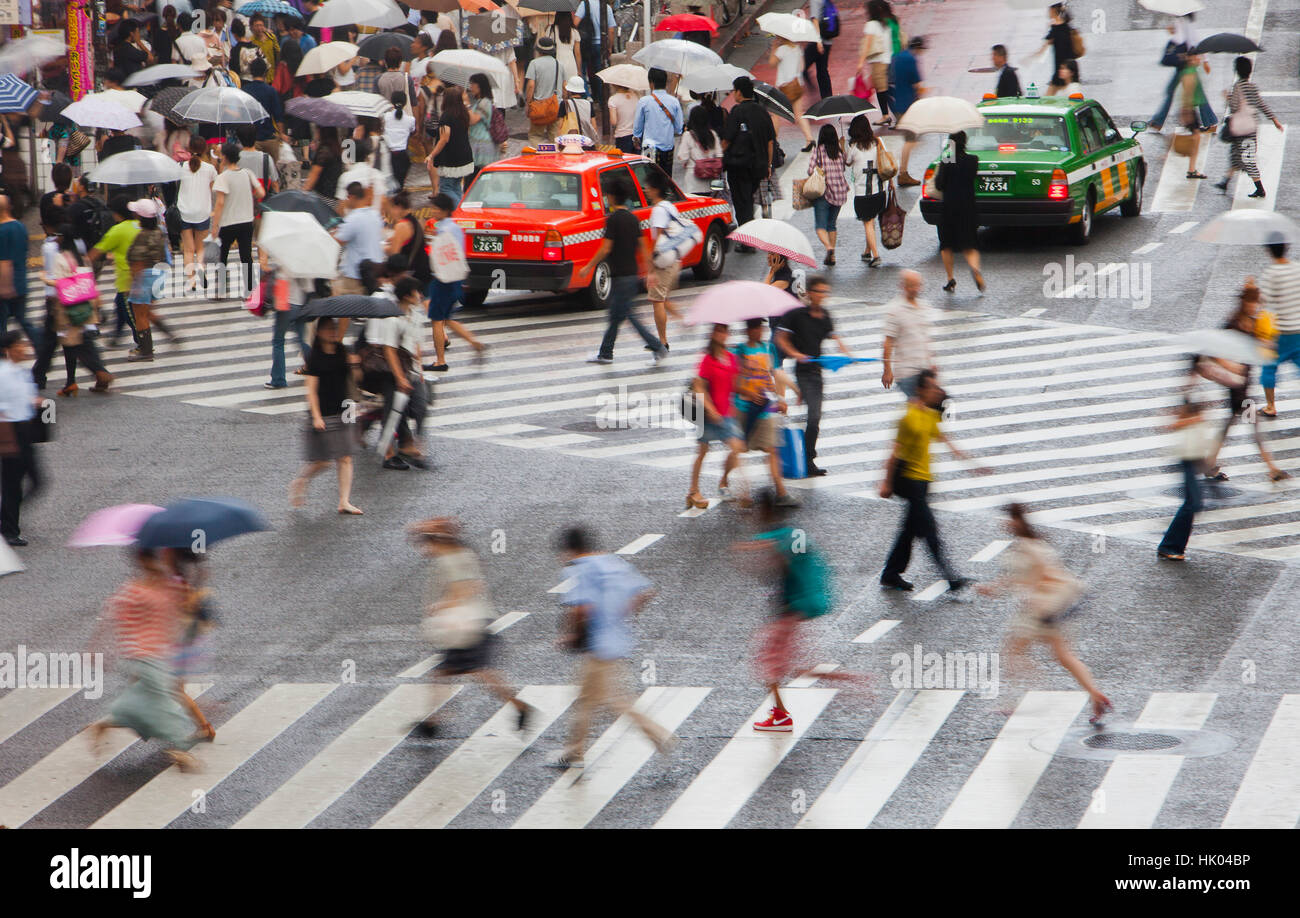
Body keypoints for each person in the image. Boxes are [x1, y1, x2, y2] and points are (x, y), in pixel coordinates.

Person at [550, 526, 679, 769]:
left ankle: (659, 734)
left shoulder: (580, 569)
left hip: (598, 646)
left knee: (615, 701)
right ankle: (574, 751)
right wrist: (621, 616)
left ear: (570, 550)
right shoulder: (613, 562)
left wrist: (571, 635)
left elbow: (581, 608)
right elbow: (645, 593)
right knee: (587, 698)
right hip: (618, 641)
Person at [976, 503, 1112, 725]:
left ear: (1016, 521)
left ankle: (1025, 690)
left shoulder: (1028, 546)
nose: (1004, 523)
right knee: (1063, 656)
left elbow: (1040, 569)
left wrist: (1032, 588)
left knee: (1012, 652)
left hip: (1043, 607)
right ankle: (1096, 696)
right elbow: (1017, 576)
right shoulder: (1030, 544)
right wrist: (993, 588)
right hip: (1056, 606)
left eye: (1008, 518)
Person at [409, 517, 535, 737]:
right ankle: (432, 722)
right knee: (452, 673)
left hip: (467, 625)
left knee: (477, 673)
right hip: (470, 622)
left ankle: (520, 706)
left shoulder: (450, 560)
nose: (423, 548)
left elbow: (467, 589)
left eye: (425, 543)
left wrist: (441, 606)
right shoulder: (463, 554)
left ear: (437, 542)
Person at [738, 488, 845, 732]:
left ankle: (781, 716)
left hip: (794, 607)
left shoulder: (778, 536)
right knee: (789, 662)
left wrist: (747, 550)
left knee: (771, 659)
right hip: (804, 604)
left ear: (764, 511)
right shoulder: (794, 532)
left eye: (756, 510)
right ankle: (783, 712)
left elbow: (776, 554)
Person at [88, 549, 200, 772]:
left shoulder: (168, 587)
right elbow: (110, 620)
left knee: (141, 702)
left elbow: (183, 608)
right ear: (143, 562)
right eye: (153, 561)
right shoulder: (132, 591)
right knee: (162, 699)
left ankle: (108, 722)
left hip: (159, 655)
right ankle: (180, 747)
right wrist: (97, 648)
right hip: (139, 657)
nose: (159, 564)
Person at [879, 369, 987, 591]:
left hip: (924, 481)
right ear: (920, 390)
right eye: (932, 387)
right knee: (929, 531)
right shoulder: (908, 416)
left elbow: (946, 440)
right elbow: (894, 452)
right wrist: (886, 482)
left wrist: (973, 465)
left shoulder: (930, 415)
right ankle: (951, 578)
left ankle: (890, 573)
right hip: (910, 479)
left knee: (908, 531)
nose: (937, 391)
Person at [1199, 280, 1287, 483]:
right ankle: (1272, 469)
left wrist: (1269, 344)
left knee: (1229, 426)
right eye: (1252, 303)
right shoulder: (1233, 323)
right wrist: (1229, 366)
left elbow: (1260, 343)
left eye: (1256, 303)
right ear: (1244, 303)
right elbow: (1214, 349)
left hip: (1243, 383)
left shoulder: (1252, 321)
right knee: (1253, 427)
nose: (1254, 306)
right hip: (1237, 387)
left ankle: (1210, 463)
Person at [583, 175, 667, 366]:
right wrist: (650, 271)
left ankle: (657, 347)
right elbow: (644, 247)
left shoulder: (612, 220)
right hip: (631, 275)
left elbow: (606, 248)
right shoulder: (632, 219)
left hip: (620, 277)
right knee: (616, 316)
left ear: (611, 197)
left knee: (626, 316)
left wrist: (589, 266)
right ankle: (605, 352)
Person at [776, 275, 850, 477]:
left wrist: (847, 354)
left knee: (815, 418)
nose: (822, 296)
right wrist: (796, 354)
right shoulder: (797, 315)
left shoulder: (825, 316)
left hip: (816, 372)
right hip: (803, 372)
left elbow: (834, 336)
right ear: (810, 293)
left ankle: (807, 457)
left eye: (825, 292)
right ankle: (808, 459)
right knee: (814, 415)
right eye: (819, 291)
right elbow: (780, 339)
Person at [289, 317, 361, 514]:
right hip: (323, 412)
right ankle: (301, 480)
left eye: (335, 328)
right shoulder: (314, 357)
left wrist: (355, 365)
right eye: (329, 328)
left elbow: (353, 381)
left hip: (343, 409)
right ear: (319, 333)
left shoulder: (342, 351)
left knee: (345, 457)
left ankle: (344, 501)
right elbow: (311, 390)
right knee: (323, 461)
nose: (333, 331)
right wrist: (316, 416)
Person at [366, 274, 431, 471]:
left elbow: (417, 346)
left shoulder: (415, 316)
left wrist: (419, 370)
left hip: (411, 370)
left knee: (420, 407)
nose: (420, 295)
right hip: (393, 372)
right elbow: (389, 350)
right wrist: (399, 377)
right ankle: (388, 454)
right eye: (416, 292)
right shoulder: (392, 318)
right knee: (392, 412)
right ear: (406, 295)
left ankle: (412, 445)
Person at [733, 318, 799, 507]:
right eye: (754, 327)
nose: (758, 331)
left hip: (765, 409)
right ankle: (728, 484)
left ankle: (781, 492)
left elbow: (776, 373)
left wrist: (783, 397)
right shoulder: (740, 351)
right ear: (747, 330)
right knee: (738, 449)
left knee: (772, 449)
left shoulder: (769, 349)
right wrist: (748, 392)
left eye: (760, 327)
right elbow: (734, 380)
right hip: (744, 408)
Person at [688, 323, 746, 509]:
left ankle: (724, 482)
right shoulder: (707, 359)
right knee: (702, 452)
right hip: (708, 415)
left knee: (737, 447)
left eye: (724, 331)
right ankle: (693, 491)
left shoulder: (731, 358)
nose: (722, 334)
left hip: (726, 414)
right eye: (719, 331)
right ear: (713, 334)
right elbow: (698, 386)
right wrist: (710, 408)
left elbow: (736, 386)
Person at [424, 194, 484, 371]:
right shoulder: (455, 228)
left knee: (437, 320)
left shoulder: (442, 230)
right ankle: (474, 343)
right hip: (455, 278)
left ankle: (440, 361)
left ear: (444, 211)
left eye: (435, 208)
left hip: (443, 279)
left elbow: (438, 255)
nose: (433, 211)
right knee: (448, 318)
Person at [1214, 56, 1283, 199]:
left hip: (1242, 128)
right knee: (1236, 155)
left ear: (1237, 71)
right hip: (1251, 127)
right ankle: (1225, 181)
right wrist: (1274, 120)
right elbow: (1261, 105)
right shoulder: (1252, 87)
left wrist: (1227, 97)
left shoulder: (1238, 87)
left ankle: (1260, 189)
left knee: (1247, 159)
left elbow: (1234, 108)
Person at [1157, 398, 1212, 562]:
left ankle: (1172, 545)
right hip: (1186, 461)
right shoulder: (1192, 416)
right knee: (1193, 504)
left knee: (1193, 504)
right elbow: (1169, 425)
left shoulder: (1197, 419)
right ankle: (1169, 546)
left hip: (1193, 462)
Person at [124, 199, 179, 363]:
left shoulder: (142, 236)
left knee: (140, 314)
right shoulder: (160, 231)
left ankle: (146, 351)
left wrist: (136, 285)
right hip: (159, 275)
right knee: (147, 312)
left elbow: (137, 262)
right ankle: (169, 333)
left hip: (144, 277)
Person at [209, 140, 265, 299]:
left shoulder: (223, 177)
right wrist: (249, 196)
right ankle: (250, 290)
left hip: (228, 223)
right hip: (247, 221)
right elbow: (261, 193)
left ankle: (220, 291)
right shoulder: (247, 173)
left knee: (222, 256)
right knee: (246, 256)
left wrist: (215, 226)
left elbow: (220, 203)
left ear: (225, 157)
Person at [722, 77, 776, 240]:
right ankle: (749, 232)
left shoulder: (736, 112)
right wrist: (769, 164)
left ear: (739, 92)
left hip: (738, 166)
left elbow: (727, 140)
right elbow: (770, 141)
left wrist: (719, 156)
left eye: (734, 91)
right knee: (747, 199)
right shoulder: (762, 112)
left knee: (741, 202)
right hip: (758, 166)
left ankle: (747, 237)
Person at [0, 331, 38, 547]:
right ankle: (9, 529)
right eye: (19, 345)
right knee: (12, 483)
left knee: (37, 480)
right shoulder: (3, 374)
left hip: (25, 430)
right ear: (8, 349)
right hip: (9, 431)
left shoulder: (22, 373)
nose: (24, 348)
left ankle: (8, 516)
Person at [88, 196, 141, 349]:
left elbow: (97, 251)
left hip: (126, 281)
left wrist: (81, 265)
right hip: (140, 278)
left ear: (117, 213)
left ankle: (142, 343)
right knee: (120, 306)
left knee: (130, 315)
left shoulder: (117, 230)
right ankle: (116, 336)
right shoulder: (138, 225)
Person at [935, 131, 984, 293]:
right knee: (970, 243)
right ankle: (975, 269)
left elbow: (939, 184)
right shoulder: (973, 160)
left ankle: (950, 279)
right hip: (968, 206)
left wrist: (944, 157)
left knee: (946, 244)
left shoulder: (947, 160)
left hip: (949, 206)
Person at [644, 170, 686, 352]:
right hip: (675, 258)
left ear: (654, 190)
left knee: (657, 300)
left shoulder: (659, 211)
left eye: (647, 187)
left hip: (664, 260)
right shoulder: (670, 206)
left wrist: (651, 267)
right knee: (663, 297)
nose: (645, 190)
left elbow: (658, 240)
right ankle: (684, 322)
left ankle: (662, 342)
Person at [1149, 14, 1215, 133]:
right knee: (1193, 92)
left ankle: (1158, 122)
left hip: (1187, 61)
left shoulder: (1186, 20)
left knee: (1175, 91)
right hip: (1185, 61)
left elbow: (1193, 39)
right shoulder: (1180, 18)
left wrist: (1203, 59)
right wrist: (1173, 29)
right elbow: (1182, 36)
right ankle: (1210, 122)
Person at [1257, 239, 1300, 418]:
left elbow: (1264, 302)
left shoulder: (1271, 273)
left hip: (1279, 333)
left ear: (1269, 251)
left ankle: (1270, 406)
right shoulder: (1297, 269)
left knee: (1269, 367)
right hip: (1299, 329)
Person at [260, 248, 311, 390]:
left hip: (285, 304)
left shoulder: (285, 257)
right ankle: (318, 370)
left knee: (278, 341)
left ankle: (278, 379)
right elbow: (308, 286)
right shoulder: (305, 259)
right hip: (301, 305)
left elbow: (281, 281)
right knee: (302, 340)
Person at [881, 269, 935, 399]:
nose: (916, 289)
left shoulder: (923, 306)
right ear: (903, 286)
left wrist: (931, 362)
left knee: (926, 410)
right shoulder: (895, 310)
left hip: (924, 370)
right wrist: (887, 370)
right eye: (912, 285)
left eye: (918, 285)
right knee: (921, 407)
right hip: (906, 372)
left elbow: (924, 338)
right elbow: (888, 343)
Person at [843, 115, 887, 265]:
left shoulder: (854, 147)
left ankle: (876, 255)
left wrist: (843, 146)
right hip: (880, 191)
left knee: (868, 222)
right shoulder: (878, 142)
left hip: (863, 193)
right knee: (871, 221)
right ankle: (867, 251)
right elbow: (885, 159)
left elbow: (847, 163)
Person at [332, 182, 385, 299]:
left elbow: (338, 240)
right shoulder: (375, 215)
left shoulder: (353, 218)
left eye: (347, 197)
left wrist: (331, 232)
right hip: (375, 271)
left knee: (345, 309)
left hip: (354, 273)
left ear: (352, 197)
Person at [177, 136, 217, 292]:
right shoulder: (210, 169)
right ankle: (201, 267)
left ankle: (192, 281)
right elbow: (214, 189)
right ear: (204, 149)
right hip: (202, 212)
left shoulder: (180, 166)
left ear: (188, 149)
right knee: (200, 248)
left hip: (184, 211)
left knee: (188, 250)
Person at [805, 123, 848, 266]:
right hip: (840, 192)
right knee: (832, 225)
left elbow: (810, 171)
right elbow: (843, 168)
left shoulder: (818, 151)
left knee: (820, 226)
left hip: (824, 192)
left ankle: (828, 247)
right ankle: (833, 255)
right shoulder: (840, 152)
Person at [426, 85, 475, 206]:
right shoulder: (463, 113)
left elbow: (444, 139)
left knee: (446, 188)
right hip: (464, 155)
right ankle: (460, 210)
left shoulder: (446, 116)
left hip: (451, 159)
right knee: (456, 186)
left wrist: (431, 155)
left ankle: (460, 212)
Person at [633, 68, 683, 175]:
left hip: (649, 149)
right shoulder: (674, 102)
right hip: (668, 147)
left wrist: (636, 138)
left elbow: (637, 129)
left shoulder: (644, 101)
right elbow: (679, 129)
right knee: (666, 179)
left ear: (651, 83)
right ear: (665, 83)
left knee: (650, 180)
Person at [890, 36, 926, 187]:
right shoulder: (911, 59)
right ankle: (902, 173)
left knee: (910, 140)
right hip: (908, 105)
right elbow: (917, 85)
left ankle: (902, 171)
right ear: (918, 48)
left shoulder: (896, 57)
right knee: (911, 141)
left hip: (898, 103)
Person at [0, 195, 35, 347]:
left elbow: (5, 262)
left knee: (1, 324)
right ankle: (40, 345)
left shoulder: (2, 230)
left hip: (5, 285)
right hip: (21, 282)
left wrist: (5, 286)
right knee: (24, 321)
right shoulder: (20, 226)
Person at [241, 59, 286, 168]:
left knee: (253, 171)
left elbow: (241, 115)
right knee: (273, 171)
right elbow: (278, 116)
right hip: (269, 138)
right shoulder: (271, 91)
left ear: (251, 72)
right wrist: (281, 134)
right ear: (265, 72)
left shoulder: (244, 91)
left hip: (251, 140)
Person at [771, 36, 814, 149]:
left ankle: (774, 142)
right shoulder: (798, 48)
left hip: (783, 87)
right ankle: (810, 139)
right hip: (797, 85)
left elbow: (772, 63)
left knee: (775, 115)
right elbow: (802, 67)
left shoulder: (781, 50)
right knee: (799, 114)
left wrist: (774, 48)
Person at [1176, 52, 1212, 180]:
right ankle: (1191, 169)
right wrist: (1186, 112)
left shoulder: (1192, 71)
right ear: (1190, 59)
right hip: (1189, 109)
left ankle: (1191, 169)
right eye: (1197, 57)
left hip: (1189, 108)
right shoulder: (1190, 73)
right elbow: (1188, 92)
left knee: (1196, 137)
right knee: (1196, 137)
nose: (1199, 58)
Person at [676, 105, 724, 196]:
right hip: (712, 180)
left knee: (697, 208)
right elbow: (719, 154)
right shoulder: (712, 134)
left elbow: (683, 158)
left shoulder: (688, 135)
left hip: (693, 180)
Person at [525, 35, 564, 146]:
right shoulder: (559, 65)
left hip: (538, 107)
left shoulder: (534, 63)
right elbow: (565, 87)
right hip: (556, 106)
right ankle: (554, 158)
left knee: (535, 136)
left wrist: (528, 104)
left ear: (539, 50)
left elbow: (531, 85)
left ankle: (539, 158)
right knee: (555, 137)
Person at [858, 0, 894, 122]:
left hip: (878, 61)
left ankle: (886, 115)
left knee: (881, 89)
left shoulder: (871, 25)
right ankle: (888, 114)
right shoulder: (887, 23)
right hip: (889, 59)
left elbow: (867, 45)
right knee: (885, 88)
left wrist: (860, 62)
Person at [1036, 3, 1079, 87]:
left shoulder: (1056, 28)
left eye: (1049, 10)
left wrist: (1030, 58)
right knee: (1069, 94)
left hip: (1064, 70)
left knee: (1068, 95)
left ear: (1053, 10)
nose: (1048, 12)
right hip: (1066, 69)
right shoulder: (1063, 26)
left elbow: (1046, 45)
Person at [465, 74, 497, 176]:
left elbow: (472, 120)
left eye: (472, 84)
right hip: (476, 143)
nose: (470, 87)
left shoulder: (485, 103)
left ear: (480, 86)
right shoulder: (479, 102)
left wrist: (467, 104)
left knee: (476, 178)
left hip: (482, 146)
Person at [303, 126, 345, 204]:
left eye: (316, 130)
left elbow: (314, 175)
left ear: (321, 132)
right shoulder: (336, 147)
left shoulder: (324, 150)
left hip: (323, 197)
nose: (315, 133)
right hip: (334, 196)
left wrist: (303, 193)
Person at [237, 122, 280, 196]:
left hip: (241, 199)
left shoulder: (235, 158)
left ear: (239, 139)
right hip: (261, 200)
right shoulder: (266, 158)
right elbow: (275, 184)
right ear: (255, 137)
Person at [804, 0, 835, 100]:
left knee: (801, 66)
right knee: (822, 71)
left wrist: (818, 40)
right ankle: (827, 98)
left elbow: (815, 19)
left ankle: (814, 92)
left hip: (818, 41)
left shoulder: (814, 1)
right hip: (827, 40)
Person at [549, 11, 581, 85]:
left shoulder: (552, 29)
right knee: (570, 88)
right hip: (571, 62)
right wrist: (579, 69)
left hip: (557, 60)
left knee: (558, 87)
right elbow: (577, 53)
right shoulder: (574, 31)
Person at [608, 83, 640, 153]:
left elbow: (613, 121)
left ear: (615, 84)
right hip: (636, 136)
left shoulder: (613, 99)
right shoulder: (635, 96)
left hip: (622, 136)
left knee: (624, 161)